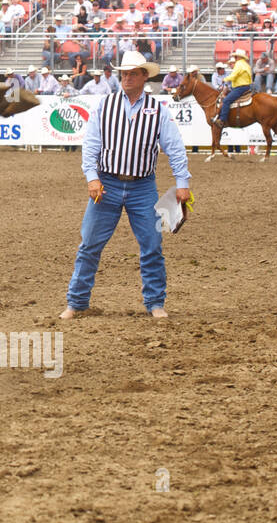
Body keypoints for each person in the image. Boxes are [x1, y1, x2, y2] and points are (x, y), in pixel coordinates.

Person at [63, 51, 193, 320]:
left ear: (145, 76)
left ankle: (155, 302)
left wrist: (183, 182)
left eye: (133, 73)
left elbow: (175, 148)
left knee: (152, 244)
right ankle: (76, 302)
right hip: (107, 183)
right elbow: (91, 144)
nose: (127, 77)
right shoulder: (104, 104)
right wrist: (92, 177)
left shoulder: (158, 110)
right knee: (89, 244)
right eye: (124, 73)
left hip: (143, 186)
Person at [212, 48, 252, 127]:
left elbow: (234, 75)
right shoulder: (246, 64)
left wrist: (225, 79)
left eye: (236, 57)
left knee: (226, 100)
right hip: (245, 86)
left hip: (240, 87)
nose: (235, 58)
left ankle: (222, 120)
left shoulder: (239, 64)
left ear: (239, 57)